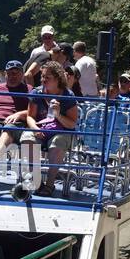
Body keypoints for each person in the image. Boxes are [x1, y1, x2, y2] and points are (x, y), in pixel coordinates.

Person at [19, 61, 79, 197]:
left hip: (61, 131)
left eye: (47, 77)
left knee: (57, 143)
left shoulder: (68, 96)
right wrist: (34, 129)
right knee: (27, 138)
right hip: (40, 129)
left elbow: (71, 124)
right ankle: (36, 180)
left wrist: (58, 114)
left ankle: (50, 184)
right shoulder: (37, 92)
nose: (43, 79)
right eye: (42, 76)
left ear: (57, 79)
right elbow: (30, 117)